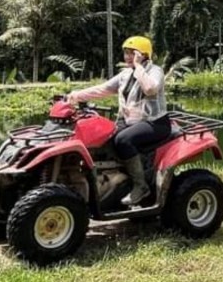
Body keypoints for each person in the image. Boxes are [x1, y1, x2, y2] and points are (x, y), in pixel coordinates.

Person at [67, 35, 168, 206]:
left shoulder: (154, 71)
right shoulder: (125, 75)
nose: (127, 57)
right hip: (130, 122)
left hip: (155, 122)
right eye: (126, 53)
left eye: (132, 53)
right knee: (102, 139)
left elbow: (150, 89)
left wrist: (138, 66)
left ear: (143, 54)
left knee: (123, 140)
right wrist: (76, 94)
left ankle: (141, 186)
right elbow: (103, 89)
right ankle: (113, 183)